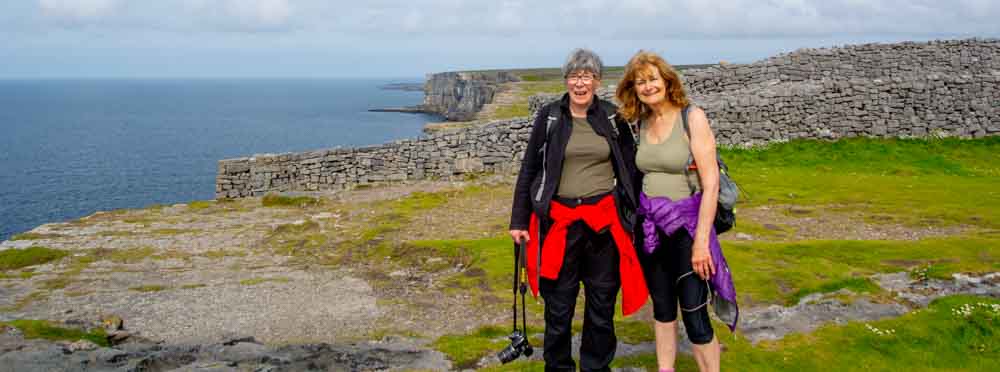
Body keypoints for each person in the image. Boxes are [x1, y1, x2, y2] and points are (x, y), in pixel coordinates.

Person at [509, 48, 647, 372]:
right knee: (559, 308)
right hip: (561, 223)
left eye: (587, 75)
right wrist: (518, 221)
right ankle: (557, 367)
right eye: (574, 75)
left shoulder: (613, 117)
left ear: (597, 81)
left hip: (603, 226)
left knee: (601, 304)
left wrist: (644, 212)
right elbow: (529, 168)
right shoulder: (550, 116)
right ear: (566, 79)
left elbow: (631, 168)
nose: (580, 82)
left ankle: (595, 367)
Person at [614, 51, 739, 372]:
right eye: (640, 82)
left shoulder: (691, 117)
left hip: (687, 229)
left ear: (667, 80)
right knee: (663, 309)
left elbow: (710, 185)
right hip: (651, 230)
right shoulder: (640, 123)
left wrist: (700, 243)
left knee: (695, 316)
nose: (647, 86)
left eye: (653, 78)